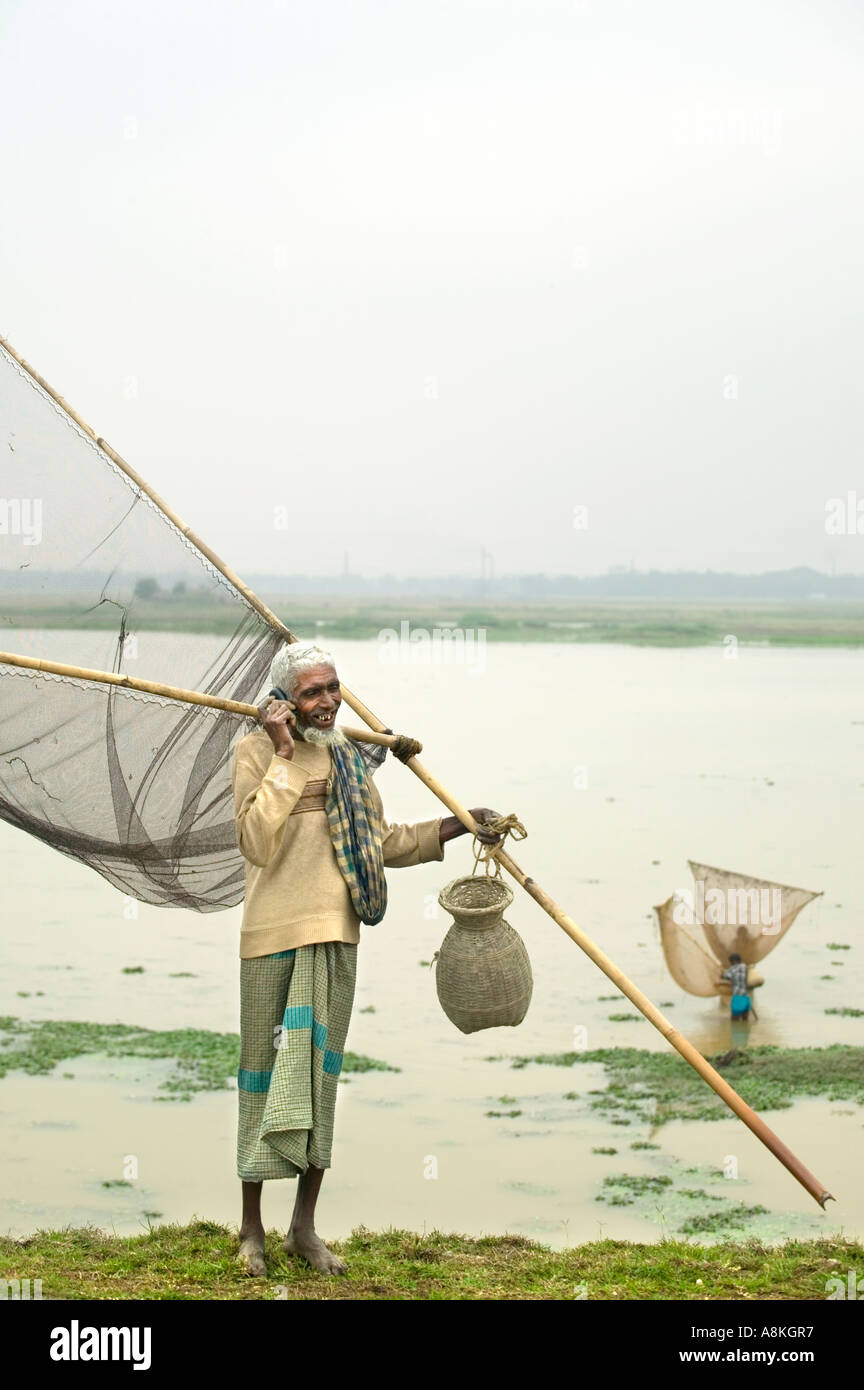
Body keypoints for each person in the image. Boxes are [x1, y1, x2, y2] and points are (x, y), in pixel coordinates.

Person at [231, 640, 501, 1277]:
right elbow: (253, 841)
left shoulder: (351, 758)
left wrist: (458, 824)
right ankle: (251, 1229)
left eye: (333, 689)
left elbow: (379, 844)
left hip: (337, 935)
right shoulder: (255, 752)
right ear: (283, 702)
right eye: (311, 693)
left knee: (320, 1080)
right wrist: (287, 756)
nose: (326, 703)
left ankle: (303, 1227)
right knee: (261, 1077)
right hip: (270, 936)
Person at [720, 952, 751, 1021]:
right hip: (747, 997)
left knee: (734, 1020)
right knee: (745, 1020)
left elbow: (725, 976)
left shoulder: (734, 968)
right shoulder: (745, 967)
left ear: (734, 961)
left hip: (738, 996)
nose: (730, 963)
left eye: (730, 962)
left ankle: (736, 1031)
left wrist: (722, 973)